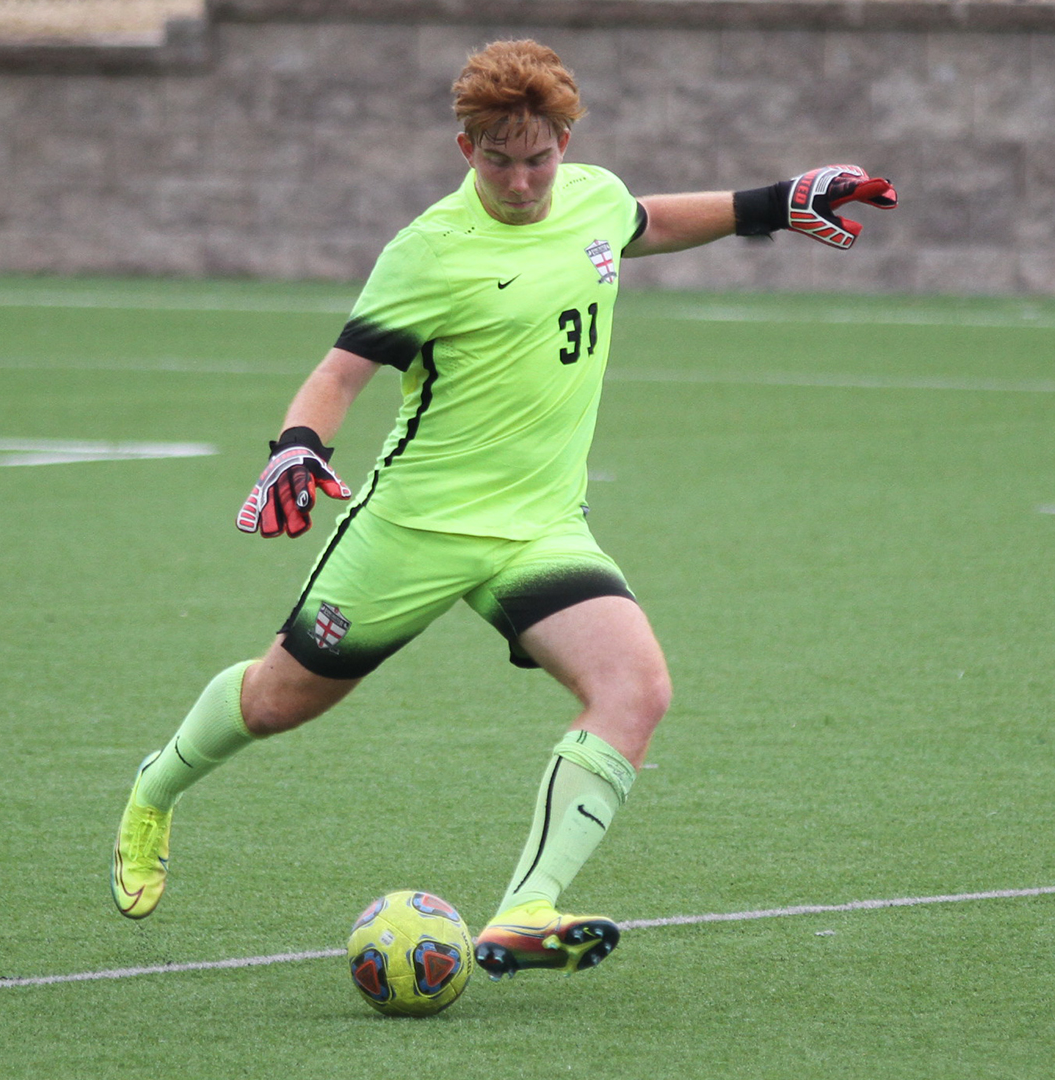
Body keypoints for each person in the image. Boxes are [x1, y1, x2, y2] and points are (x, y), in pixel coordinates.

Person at [112, 38, 896, 980]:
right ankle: (156, 788)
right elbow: (340, 372)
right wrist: (297, 446)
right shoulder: (430, 251)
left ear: (565, 144)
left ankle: (526, 908)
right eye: (498, 161)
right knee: (279, 702)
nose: (521, 182)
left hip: (541, 528)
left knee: (636, 690)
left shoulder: (593, 197)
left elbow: (646, 221)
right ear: (465, 150)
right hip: (415, 528)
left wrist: (777, 202)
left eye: (538, 160)